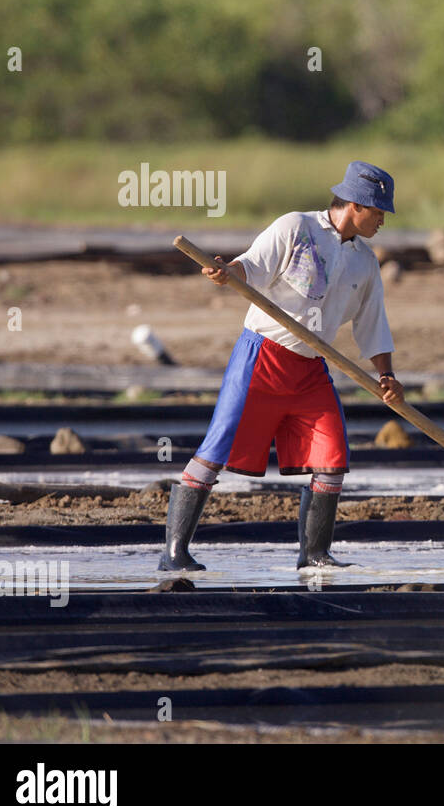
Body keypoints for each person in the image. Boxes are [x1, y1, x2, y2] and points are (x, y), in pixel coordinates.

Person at [158, 160, 403, 572]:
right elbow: (250, 267)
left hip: (310, 369)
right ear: (356, 206)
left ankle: (314, 554)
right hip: (262, 358)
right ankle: (173, 554)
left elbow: (372, 325)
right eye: (378, 211)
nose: (382, 220)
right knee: (215, 450)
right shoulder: (296, 227)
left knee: (332, 455)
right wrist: (227, 273)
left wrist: (387, 375)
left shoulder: (365, 263)